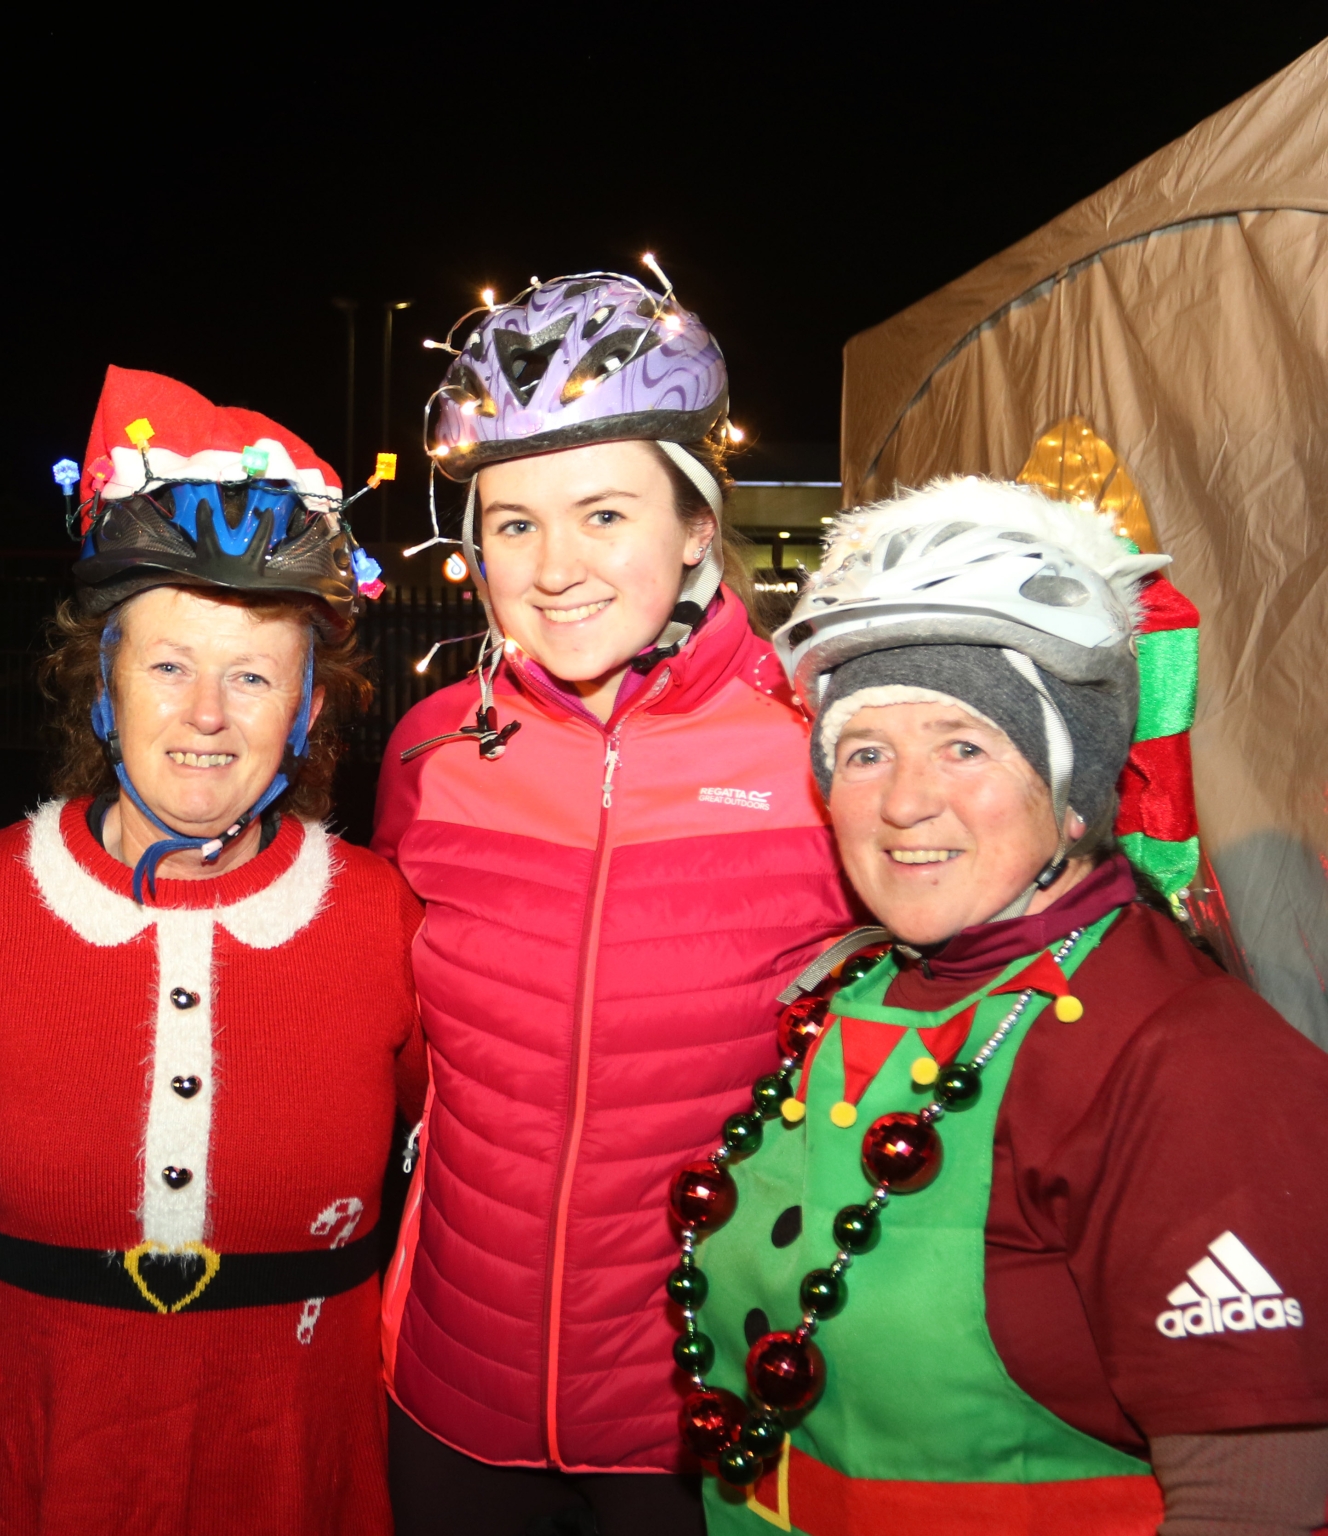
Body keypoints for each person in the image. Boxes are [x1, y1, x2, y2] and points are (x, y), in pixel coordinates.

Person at [673, 477, 1328, 1534]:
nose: (904, 800)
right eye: (864, 751)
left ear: (1074, 791)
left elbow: (1259, 1501)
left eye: (965, 745)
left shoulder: (1194, 1063)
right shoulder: (855, 991)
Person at [0, 366, 426, 1535]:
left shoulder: (384, 917)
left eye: (252, 677)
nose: (206, 717)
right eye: (169, 667)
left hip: (294, 1464)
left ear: (309, 713)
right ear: (101, 683)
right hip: (37, 1460)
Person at [373, 270, 858, 1533]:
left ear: (697, 525)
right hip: (450, 1405)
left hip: (695, 1426)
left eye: (603, 512)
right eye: (512, 523)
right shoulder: (432, 748)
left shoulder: (816, 751)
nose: (553, 566)